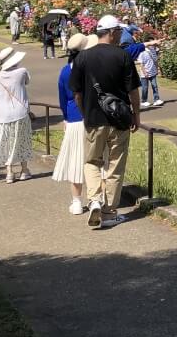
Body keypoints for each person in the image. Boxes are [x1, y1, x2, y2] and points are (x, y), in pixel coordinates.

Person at [69, 14, 141, 229]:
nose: (120, 34)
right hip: (119, 120)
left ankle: (94, 200)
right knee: (115, 167)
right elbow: (133, 91)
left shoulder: (82, 58)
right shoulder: (123, 56)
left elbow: (77, 93)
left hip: (93, 119)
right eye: (118, 31)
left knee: (92, 161)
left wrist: (85, 113)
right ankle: (109, 212)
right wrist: (136, 115)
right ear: (111, 33)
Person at [54, 33, 98, 214]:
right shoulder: (93, 68)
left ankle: (77, 201)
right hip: (94, 117)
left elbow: (62, 98)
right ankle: (97, 199)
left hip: (73, 118)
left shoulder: (66, 71)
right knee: (96, 158)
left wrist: (65, 117)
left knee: (75, 161)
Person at [0, 49, 33, 183]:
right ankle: (24, 170)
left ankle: (9, 172)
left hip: (2, 114)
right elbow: (27, 82)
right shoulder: (22, 72)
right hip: (20, 112)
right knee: (22, 139)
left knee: (6, 142)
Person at [137, 40, 163, 107]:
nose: (153, 45)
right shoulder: (142, 52)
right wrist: (145, 72)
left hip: (153, 72)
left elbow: (156, 60)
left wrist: (157, 69)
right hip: (144, 74)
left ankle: (156, 99)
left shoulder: (153, 50)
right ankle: (144, 101)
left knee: (155, 86)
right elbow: (141, 64)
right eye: (152, 43)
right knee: (145, 88)